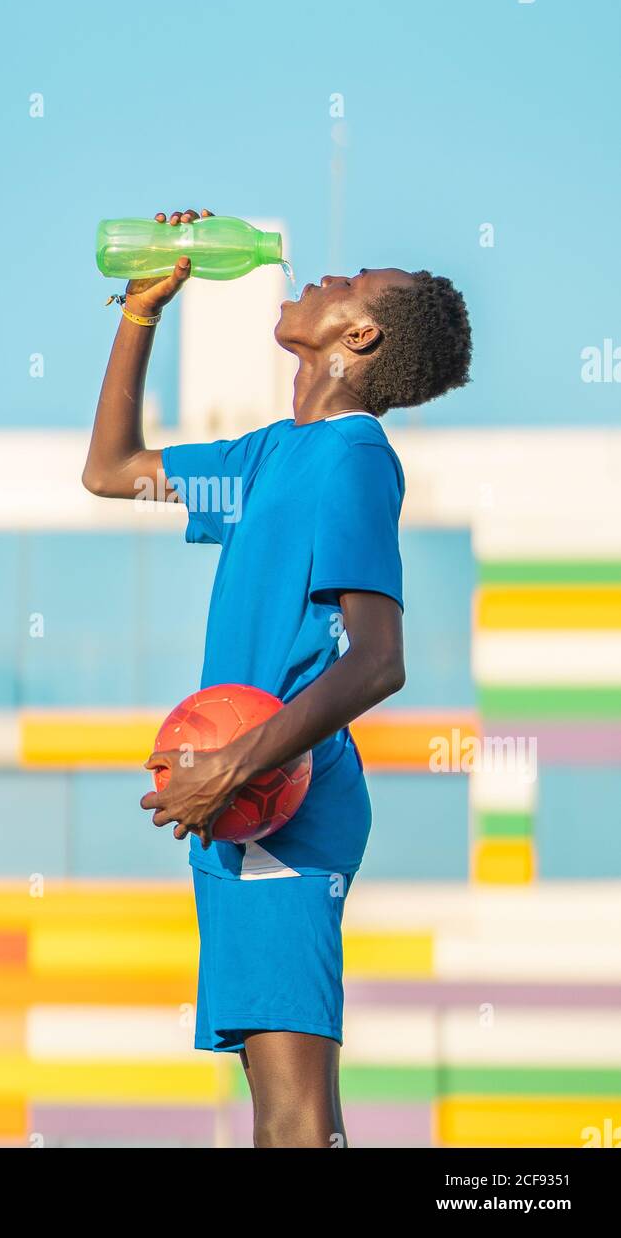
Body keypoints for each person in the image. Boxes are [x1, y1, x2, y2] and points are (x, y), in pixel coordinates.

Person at [83, 206, 472, 1148]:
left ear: (360, 335)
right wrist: (141, 312)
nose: (324, 277)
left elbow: (381, 659)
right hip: (242, 795)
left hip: (279, 797)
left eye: (351, 283)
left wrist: (238, 765)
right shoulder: (272, 455)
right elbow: (112, 469)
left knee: (294, 1121)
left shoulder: (355, 458)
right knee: (286, 1117)